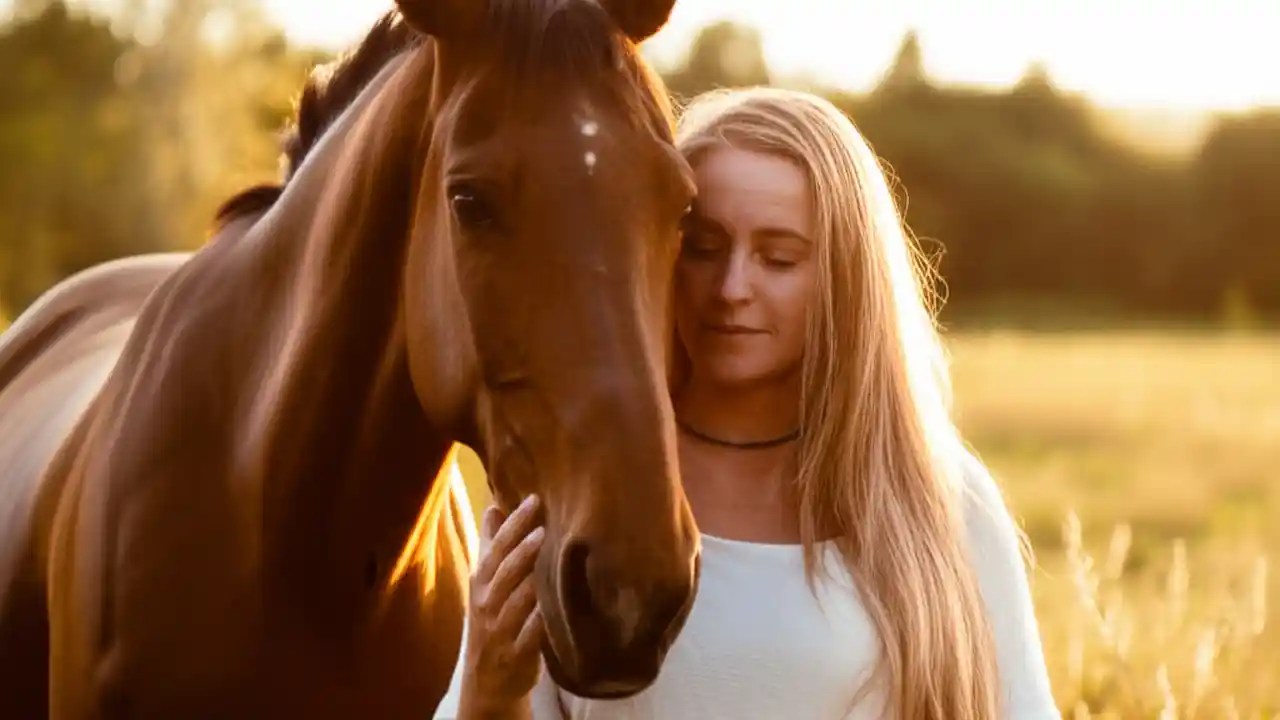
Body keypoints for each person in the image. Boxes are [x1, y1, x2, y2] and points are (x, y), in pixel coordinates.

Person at [435, 87, 1059, 719]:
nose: (733, 288)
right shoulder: (579, 492)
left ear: (845, 279)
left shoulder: (938, 497)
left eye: (778, 258)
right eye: (704, 248)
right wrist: (490, 683)